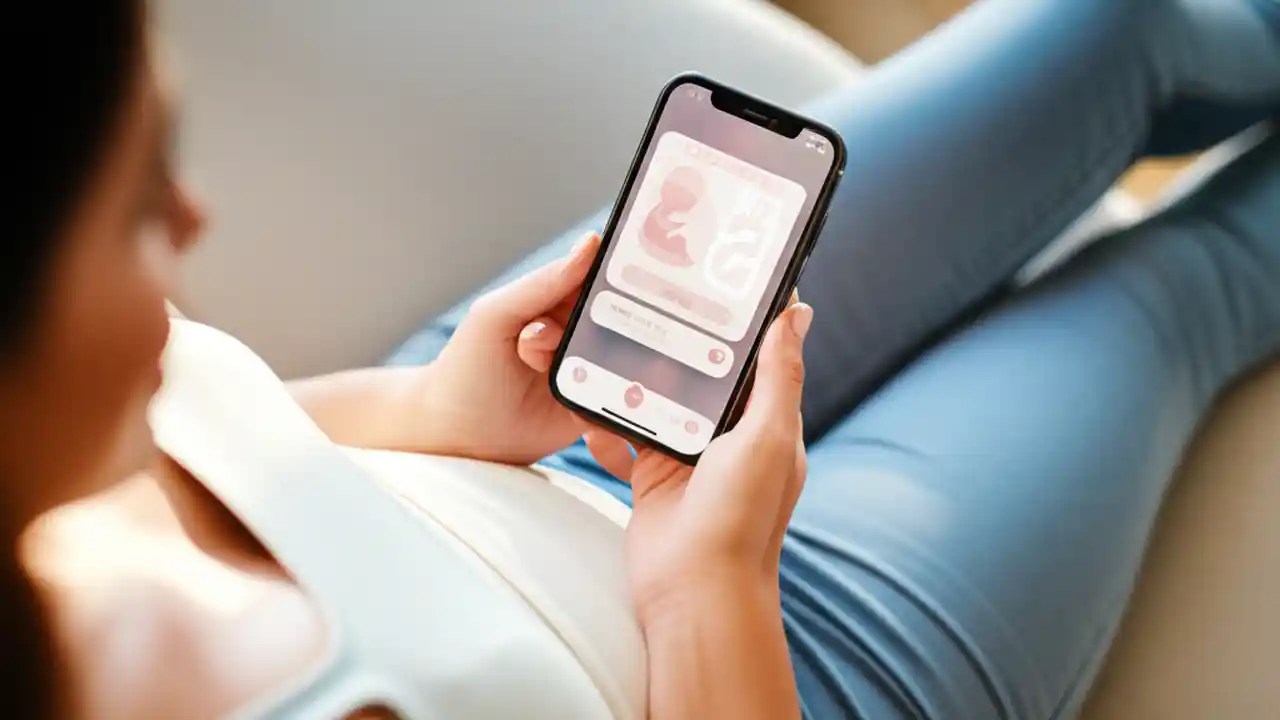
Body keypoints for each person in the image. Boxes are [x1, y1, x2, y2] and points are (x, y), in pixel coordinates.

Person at [3, 0, 1277, 717]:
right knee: (1182, 285)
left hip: (499, 430)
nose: (193, 222)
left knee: (1122, 24)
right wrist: (708, 584)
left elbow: (227, 431)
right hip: (775, 655)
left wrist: (433, 407)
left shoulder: (47, 448)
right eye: (135, 208)